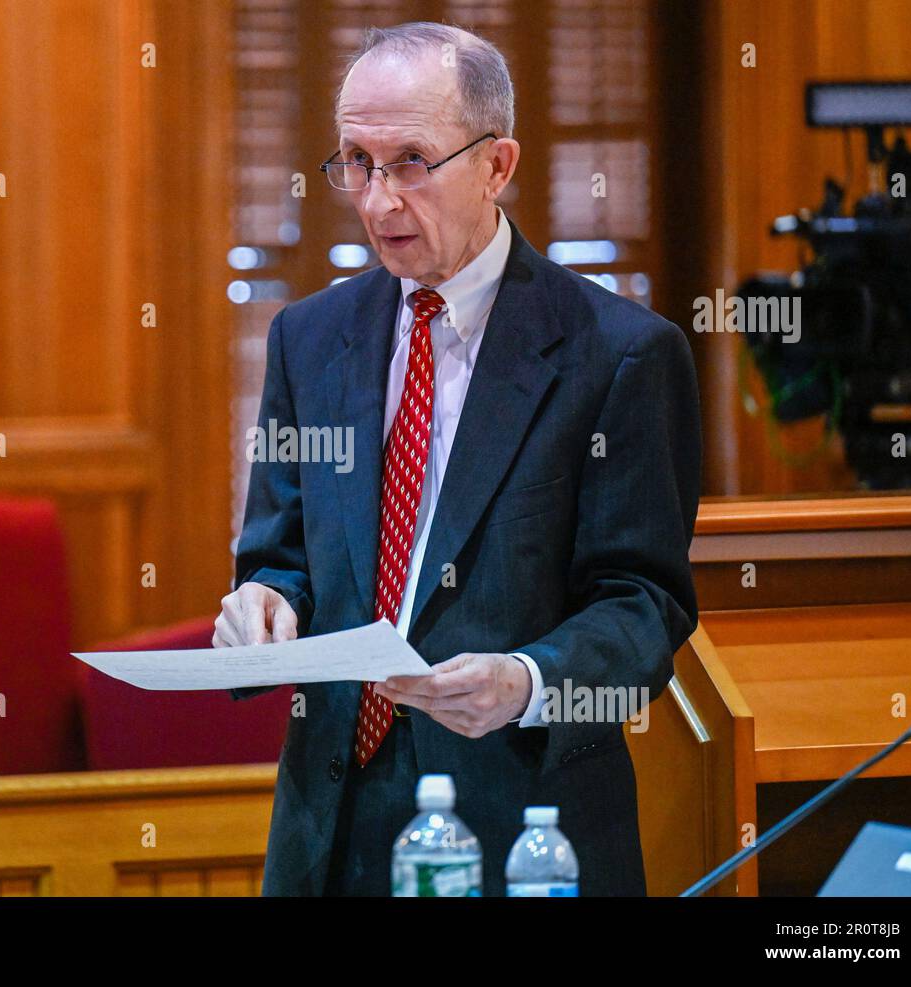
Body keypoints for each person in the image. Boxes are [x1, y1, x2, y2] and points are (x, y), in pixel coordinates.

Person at [214, 21, 701, 896]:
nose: (378, 200)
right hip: (328, 830)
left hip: (521, 821)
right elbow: (278, 555)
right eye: (356, 162)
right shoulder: (307, 338)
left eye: (410, 161)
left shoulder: (620, 353)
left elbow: (644, 606)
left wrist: (527, 679)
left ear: (497, 164)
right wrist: (260, 606)